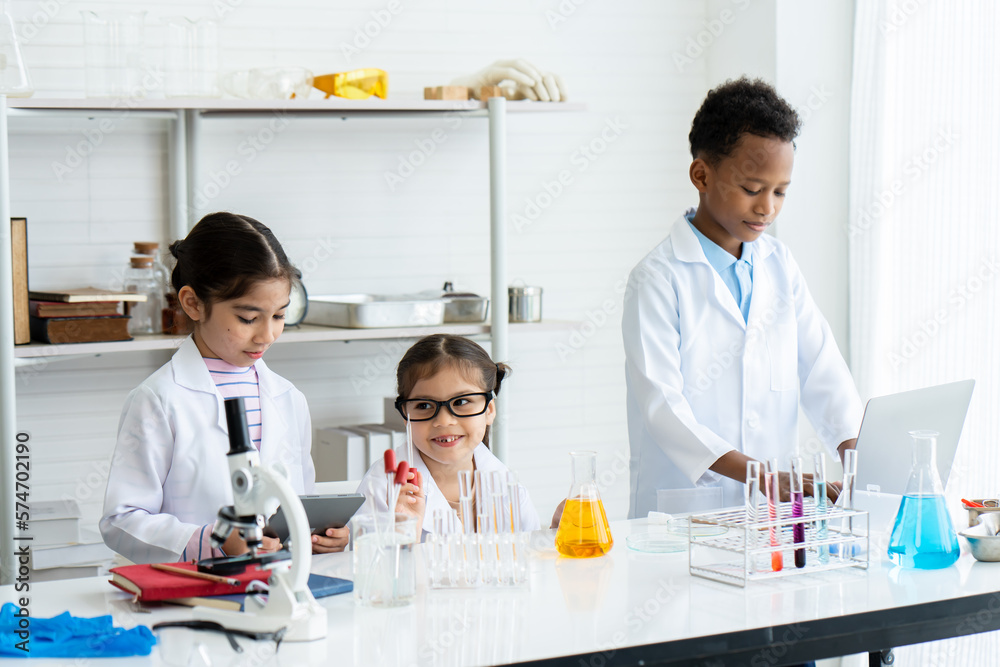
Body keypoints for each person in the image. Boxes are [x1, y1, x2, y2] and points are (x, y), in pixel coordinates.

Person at [623, 77, 863, 518]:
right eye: (752, 189)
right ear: (701, 175)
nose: (767, 207)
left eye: (780, 191)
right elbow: (663, 411)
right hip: (685, 516)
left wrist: (859, 460)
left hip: (769, 517)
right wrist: (765, 477)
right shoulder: (657, 278)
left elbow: (822, 372)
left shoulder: (780, 265)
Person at [101, 212, 348, 564]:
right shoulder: (159, 400)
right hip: (191, 594)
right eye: (248, 318)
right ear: (193, 303)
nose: (266, 335)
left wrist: (319, 535)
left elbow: (299, 503)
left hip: (276, 587)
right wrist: (211, 541)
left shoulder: (288, 398)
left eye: (279, 316)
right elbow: (120, 522)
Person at [356, 334, 540, 540]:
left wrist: (554, 531)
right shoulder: (382, 487)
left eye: (461, 402)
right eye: (424, 406)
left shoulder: (509, 488)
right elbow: (366, 566)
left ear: (489, 409)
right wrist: (402, 537)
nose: (444, 421)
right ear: (405, 416)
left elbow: (530, 558)